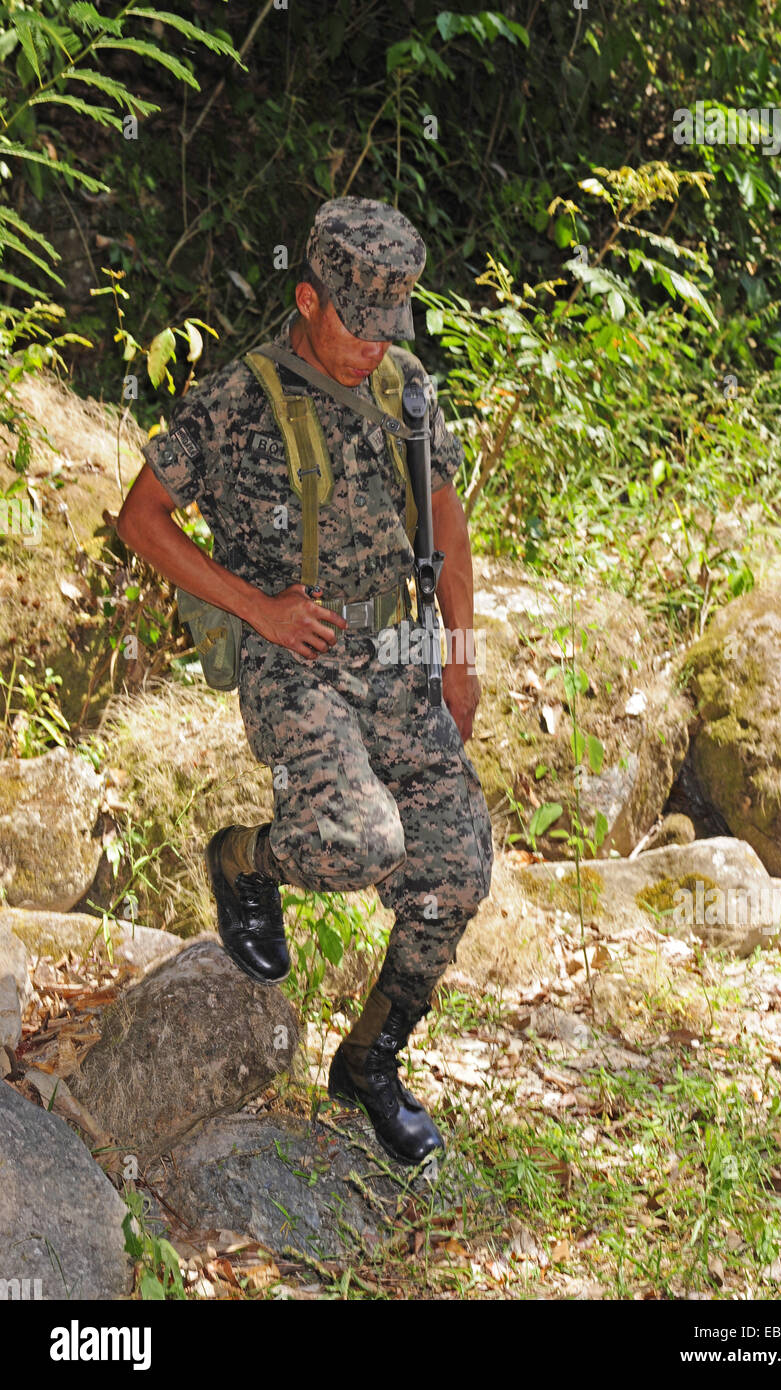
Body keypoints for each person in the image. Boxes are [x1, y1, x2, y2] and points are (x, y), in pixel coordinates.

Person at [116, 196, 493, 1165]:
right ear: (307, 298)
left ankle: (369, 1060)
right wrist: (257, 607)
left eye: (387, 331)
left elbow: (444, 521)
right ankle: (244, 858)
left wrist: (459, 651)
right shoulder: (236, 399)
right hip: (298, 657)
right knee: (351, 841)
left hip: (400, 656)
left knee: (453, 870)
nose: (372, 348)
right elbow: (142, 517)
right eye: (355, 328)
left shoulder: (406, 386)